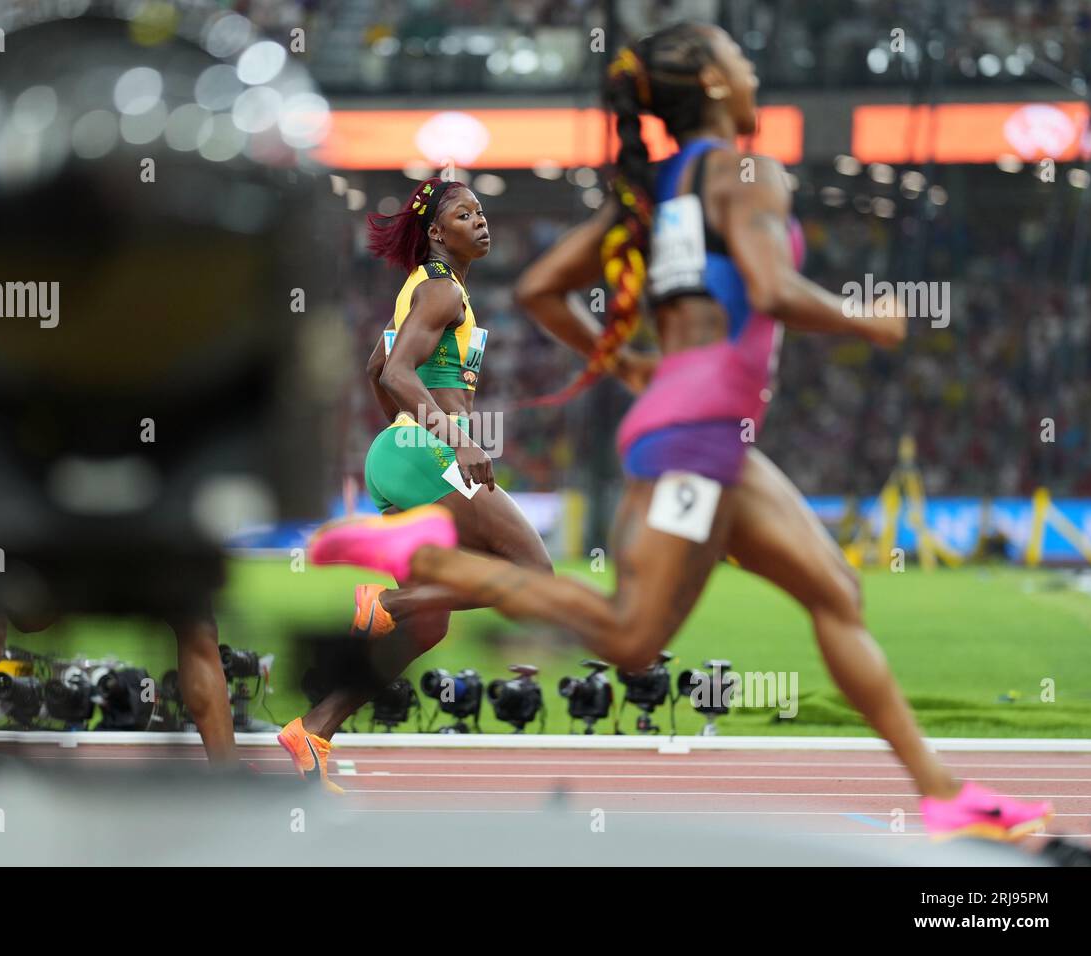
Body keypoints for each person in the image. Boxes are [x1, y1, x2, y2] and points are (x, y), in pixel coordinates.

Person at [308, 24, 1053, 841]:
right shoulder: (747, 173)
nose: (752, 69)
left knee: (837, 591)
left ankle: (944, 794)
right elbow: (770, 285)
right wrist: (863, 318)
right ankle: (426, 567)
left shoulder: (653, 190)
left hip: (705, 428)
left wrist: (627, 365)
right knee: (631, 637)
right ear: (712, 80)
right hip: (698, 432)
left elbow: (542, 289)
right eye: (738, 56)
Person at [277, 177, 551, 792]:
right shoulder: (440, 293)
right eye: (464, 214)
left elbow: (378, 365)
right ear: (436, 233)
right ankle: (384, 603)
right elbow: (399, 373)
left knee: (429, 626)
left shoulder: (425, 293)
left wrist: (402, 441)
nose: (481, 221)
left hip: (402, 453)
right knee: (535, 575)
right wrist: (453, 439)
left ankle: (313, 730)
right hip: (426, 450)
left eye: (481, 212)